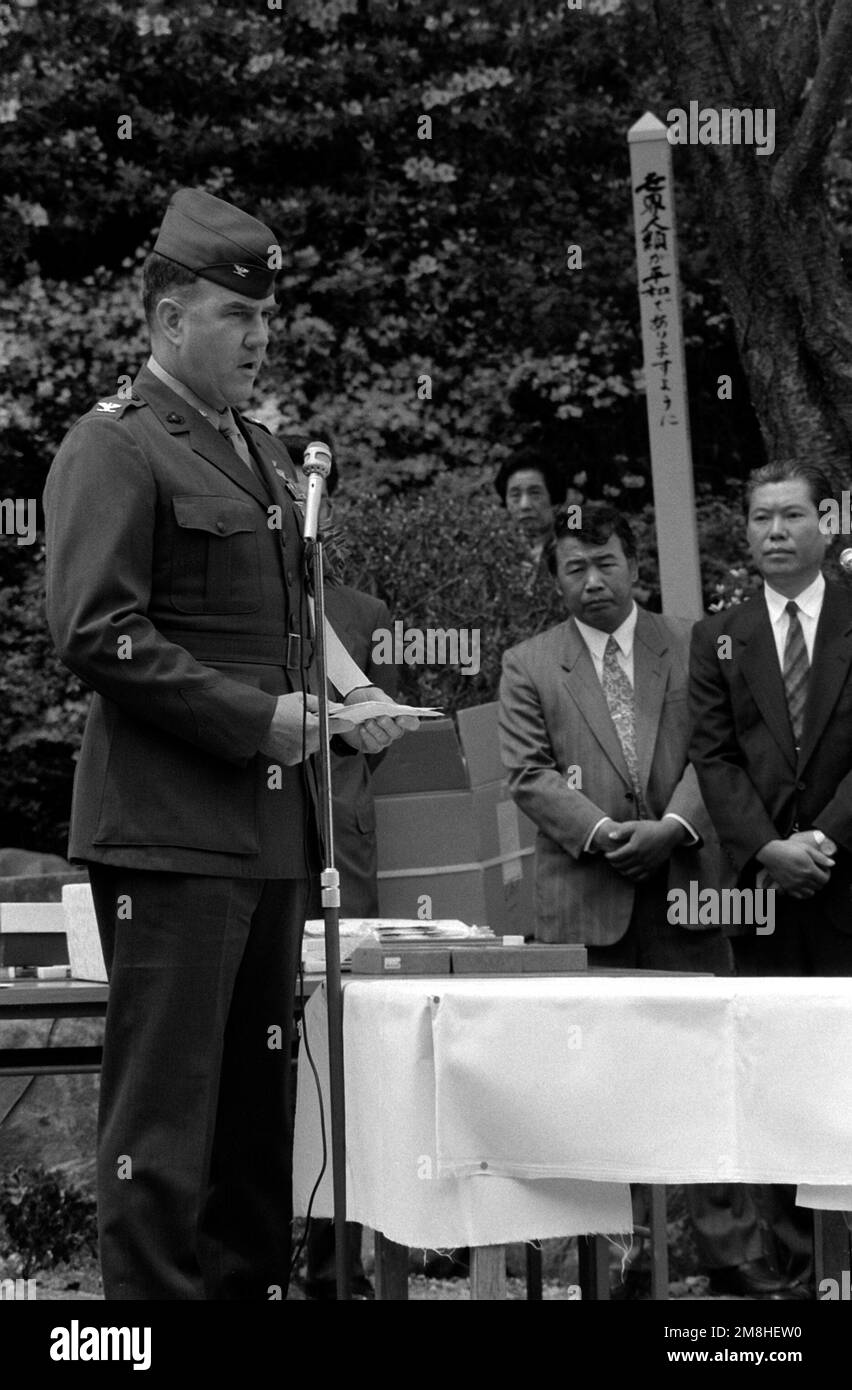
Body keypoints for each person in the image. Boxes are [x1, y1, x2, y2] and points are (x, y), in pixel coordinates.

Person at [42, 186, 415, 1300]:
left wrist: (343, 701)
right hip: (169, 834)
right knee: (164, 1125)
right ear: (166, 319)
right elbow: (97, 631)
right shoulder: (113, 447)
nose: (261, 339)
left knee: (255, 1128)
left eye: (265, 318)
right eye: (235, 317)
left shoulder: (256, 451)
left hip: (267, 834)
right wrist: (258, 719)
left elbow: (287, 627)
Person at [498, 501, 789, 1300]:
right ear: (554, 578)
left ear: (635, 564)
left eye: (607, 563)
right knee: (599, 1081)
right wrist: (601, 834)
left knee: (702, 1071)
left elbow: (719, 748)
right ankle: (622, 1255)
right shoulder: (529, 663)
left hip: (688, 890)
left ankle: (729, 1254)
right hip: (584, 900)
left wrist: (669, 827)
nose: (594, 582)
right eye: (574, 568)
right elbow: (527, 773)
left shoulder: (692, 644)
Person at [689, 459, 852, 1293]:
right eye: (761, 518)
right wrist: (768, 851)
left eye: (792, 515)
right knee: (778, 1074)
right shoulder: (721, 634)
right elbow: (714, 759)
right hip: (762, 894)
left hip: (848, 881)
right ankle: (794, 1267)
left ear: (828, 521)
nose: (776, 531)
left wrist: (822, 839)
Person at [494, 447, 566, 574]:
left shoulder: (574, 553)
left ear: (554, 501)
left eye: (535, 494)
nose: (524, 505)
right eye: (515, 495)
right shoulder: (494, 555)